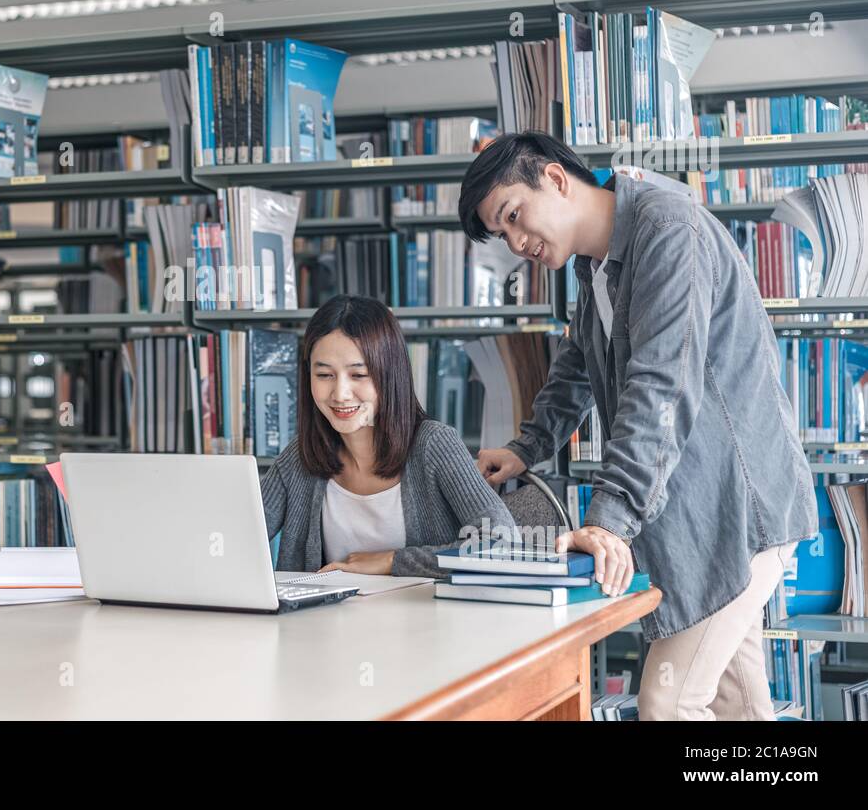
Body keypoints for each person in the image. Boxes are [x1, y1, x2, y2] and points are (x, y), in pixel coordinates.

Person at [460, 131, 816, 721]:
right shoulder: (593, 264)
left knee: (667, 702)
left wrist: (610, 525)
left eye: (514, 217)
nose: (517, 242)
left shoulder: (667, 231)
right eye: (503, 234)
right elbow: (579, 363)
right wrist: (528, 447)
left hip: (741, 510)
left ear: (553, 178)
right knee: (739, 704)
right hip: (699, 520)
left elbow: (661, 388)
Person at [260, 294, 516, 576]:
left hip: (429, 619)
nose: (340, 394)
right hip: (327, 620)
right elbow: (233, 537)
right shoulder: (301, 456)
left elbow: (502, 543)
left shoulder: (433, 444)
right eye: (324, 375)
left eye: (359, 375)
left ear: (389, 374)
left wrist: (392, 561)